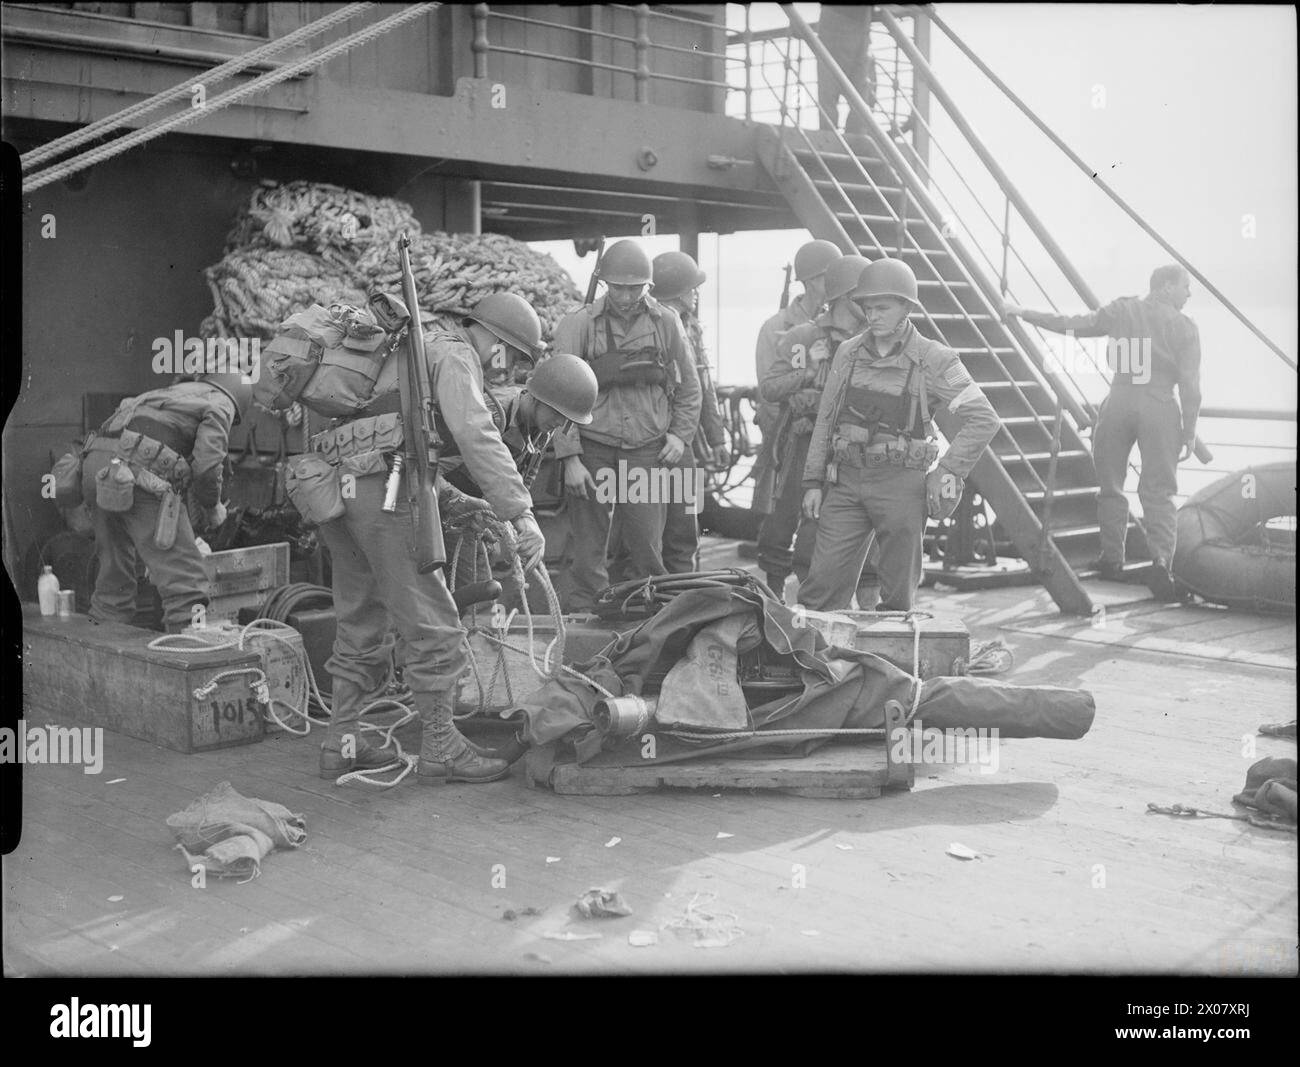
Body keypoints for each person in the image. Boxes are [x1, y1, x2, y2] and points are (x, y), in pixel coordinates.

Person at [311, 292, 546, 784]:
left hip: (336, 491)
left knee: (360, 618)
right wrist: (521, 514)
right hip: (387, 495)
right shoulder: (454, 352)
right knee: (435, 624)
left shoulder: (401, 348)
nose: (508, 370)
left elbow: (387, 435)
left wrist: (454, 498)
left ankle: (341, 743)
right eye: (515, 358)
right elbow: (476, 434)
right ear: (500, 343)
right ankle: (441, 749)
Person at [799, 258, 1000, 612]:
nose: (873, 315)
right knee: (820, 588)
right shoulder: (847, 353)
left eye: (882, 307)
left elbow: (984, 418)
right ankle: (817, 662)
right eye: (867, 307)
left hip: (902, 486)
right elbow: (826, 419)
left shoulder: (936, 359)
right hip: (845, 482)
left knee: (897, 598)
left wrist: (948, 470)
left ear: (906, 307)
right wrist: (813, 480)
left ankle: (889, 663)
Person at [1002, 266, 1202, 599]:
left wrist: (1022, 312)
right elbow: (1191, 386)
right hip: (1160, 403)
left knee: (1110, 486)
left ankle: (1112, 560)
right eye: (1186, 286)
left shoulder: (1123, 309)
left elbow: (1073, 325)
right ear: (1167, 287)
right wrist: (1190, 430)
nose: (1189, 293)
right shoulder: (1184, 327)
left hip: (1120, 400)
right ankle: (1161, 564)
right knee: (1159, 490)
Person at [551, 238, 701, 611]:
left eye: (635, 287)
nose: (626, 295)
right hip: (595, 449)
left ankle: (648, 619)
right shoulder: (580, 324)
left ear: (648, 287)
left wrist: (680, 437)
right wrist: (570, 458)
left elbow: (690, 387)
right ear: (605, 284)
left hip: (646, 450)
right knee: (589, 547)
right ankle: (587, 617)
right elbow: (558, 396)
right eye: (618, 287)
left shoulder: (666, 323)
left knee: (648, 545)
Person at [80, 370, 251, 633]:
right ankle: (191, 648)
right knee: (186, 582)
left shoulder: (167, 392)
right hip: (140, 473)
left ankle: (100, 654)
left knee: (113, 579)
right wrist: (212, 506)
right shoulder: (221, 403)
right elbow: (207, 466)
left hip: (95, 465)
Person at [757, 254, 880, 605]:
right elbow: (770, 387)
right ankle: (782, 599)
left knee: (864, 530)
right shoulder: (803, 337)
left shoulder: (873, 340)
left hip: (855, 447)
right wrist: (809, 371)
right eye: (864, 296)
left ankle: (863, 609)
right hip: (806, 442)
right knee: (789, 523)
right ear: (845, 295)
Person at [608, 250, 727, 578]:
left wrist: (710, 437)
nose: (695, 294)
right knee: (641, 533)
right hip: (648, 439)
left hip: (679, 438)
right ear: (678, 291)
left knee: (683, 527)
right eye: (691, 288)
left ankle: (680, 595)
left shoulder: (688, 327)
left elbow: (699, 385)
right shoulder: (650, 325)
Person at [752, 239, 842, 588]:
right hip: (787, 441)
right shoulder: (775, 328)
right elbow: (769, 392)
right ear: (808, 281)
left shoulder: (843, 327)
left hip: (826, 442)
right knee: (778, 523)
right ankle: (773, 597)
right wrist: (786, 441)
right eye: (825, 279)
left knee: (818, 526)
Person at [816, 5, 875, 136]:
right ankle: (833, 137)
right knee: (833, 86)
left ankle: (846, 137)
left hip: (858, 22)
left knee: (864, 91)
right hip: (840, 20)